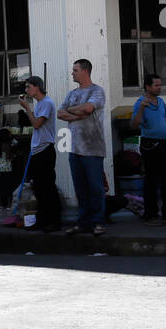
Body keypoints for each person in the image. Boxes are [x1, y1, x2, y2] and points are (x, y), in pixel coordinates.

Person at [57, 59, 108, 235]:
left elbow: (88, 108)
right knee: (81, 188)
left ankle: (98, 222)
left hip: (92, 148)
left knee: (95, 187)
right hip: (74, 148)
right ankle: (83, 222)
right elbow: (60, 113)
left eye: (75, 70)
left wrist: (74, 111)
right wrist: (79, 114)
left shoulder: (97, 91)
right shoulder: (72, 94)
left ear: (85, 71)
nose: (72, 73)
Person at [130, 74, 166, 226]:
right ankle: (151, 214)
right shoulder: (140, 103)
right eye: (156, 85)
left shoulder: (161, 102)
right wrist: (142, 110)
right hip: (150, 145)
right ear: (147, 87)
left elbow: (162, 120)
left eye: (160, 85)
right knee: (152, 179)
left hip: (164, 143)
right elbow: (134, 125)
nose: (159, 87)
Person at [17, 76, 60, 232]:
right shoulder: (41, 104)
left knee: (48, 187)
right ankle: (42, 220)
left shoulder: (47, 103)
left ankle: (53, 221)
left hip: (45, 150)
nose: (27, 90)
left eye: (29, 87)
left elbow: (36, 124)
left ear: (37, 87)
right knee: (39, 188)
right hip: (37, 150)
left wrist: (27, 108)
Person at [0, 129, 18, 209]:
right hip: (8, 170)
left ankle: (0, 205)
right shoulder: (8, 146)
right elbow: (16, 143)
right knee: (9, 189)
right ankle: (9, 205)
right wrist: (12, 138)